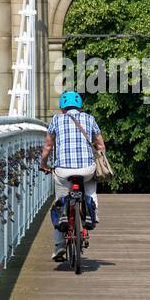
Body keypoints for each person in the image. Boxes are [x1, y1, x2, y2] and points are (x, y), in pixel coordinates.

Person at [39, 91, 107, 261]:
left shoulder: (56, 120)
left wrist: (43, 164)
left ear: (62, 108)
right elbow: (101, 145)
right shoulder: (89, 119)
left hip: (63, 170)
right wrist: (97, 155)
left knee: (60, 201)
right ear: (80, 107)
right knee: (91, 183)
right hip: (86, 169)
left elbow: (47, 147)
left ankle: (59, 245)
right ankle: (93, 212)